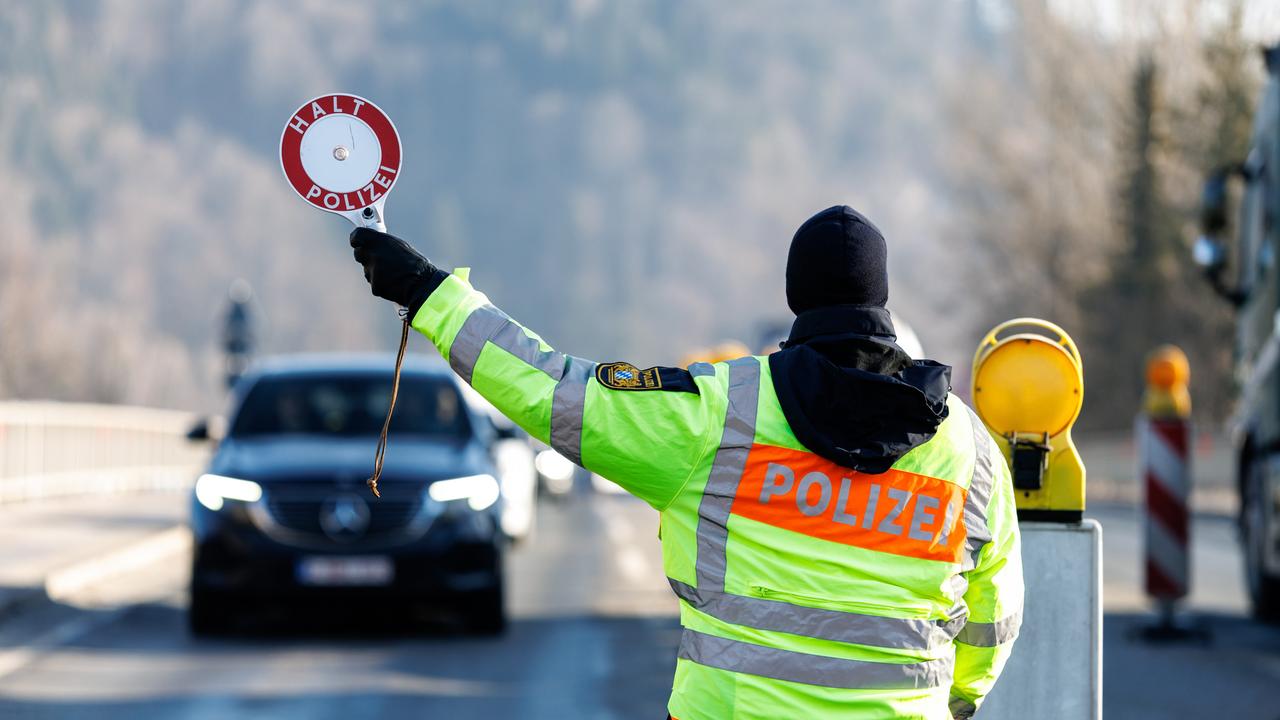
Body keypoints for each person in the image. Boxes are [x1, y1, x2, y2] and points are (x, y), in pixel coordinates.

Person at [349, 205, 1022, 719]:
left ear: (795, 296)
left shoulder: (720, 414)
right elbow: (994, 617)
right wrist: (953, 702)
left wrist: (428, 292)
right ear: (881, 298)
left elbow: (548, 387)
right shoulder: (969, 451)